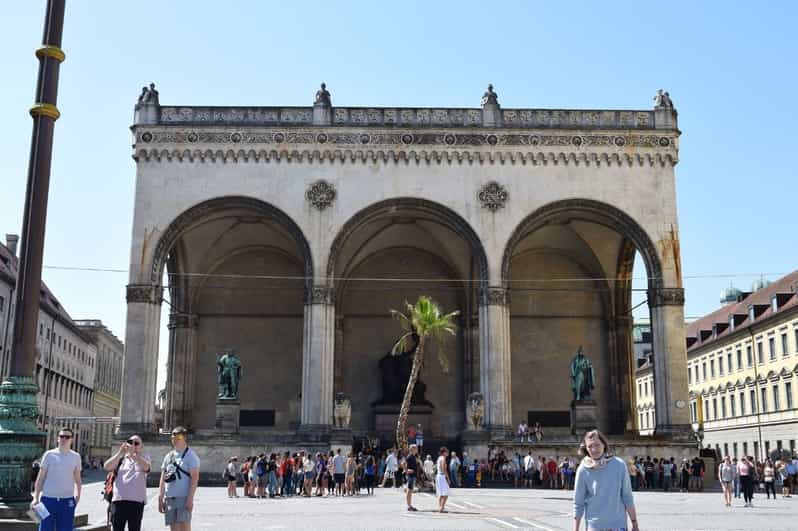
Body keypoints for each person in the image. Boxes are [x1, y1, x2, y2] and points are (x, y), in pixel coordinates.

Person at [573, 430, 639, 531]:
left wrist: (634, 523)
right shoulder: (582, 469)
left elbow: (627, 496)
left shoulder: (619, 465)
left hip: (618, 525)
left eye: (597, 445)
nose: (594, 449)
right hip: (594, 526)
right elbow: (578, 502)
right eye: (590, 446)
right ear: (585, 448)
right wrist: (575, 529)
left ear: (604, 445)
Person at [31, 427, 82, 531]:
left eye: (67, 437)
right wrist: (35, 497)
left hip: (67, 501)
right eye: (61, 436)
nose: (64, 439)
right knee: (45, 528)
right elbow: (40, 478)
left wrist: (77, 496)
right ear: (58, 438)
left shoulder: (76, 456)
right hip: (47, 500)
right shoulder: (49, 454)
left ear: (71, 440)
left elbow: (78, 480)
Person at [105, 434, 151, 531]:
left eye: (136, 443)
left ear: (141, 446)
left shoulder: (144, 457)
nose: (133, 445)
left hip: (136, 502)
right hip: (118, 501)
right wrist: (120, 453)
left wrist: (135, 455)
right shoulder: (121, 459)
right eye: (130, 442)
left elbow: (147, 467)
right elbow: (107, 466)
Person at [158, 426, 200, 531]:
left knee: (184, 527)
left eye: (178, 436)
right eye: (173, 436)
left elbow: (195, 479)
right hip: (170, 498)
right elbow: (163, 478)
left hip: (183, 498)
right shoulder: (168, 456)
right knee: (174, 528)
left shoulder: (191, 456)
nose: (175, 439)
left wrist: (190, 499)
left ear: (185, 438)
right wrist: (160, 497)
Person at [405, 444, 420, 511]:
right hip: (410, 476)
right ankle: (409, 506)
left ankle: (410, 505)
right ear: (412, 449)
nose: (417, 449)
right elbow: (403, 464)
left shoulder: (413, 456)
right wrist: (407, 470)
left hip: (412, 476)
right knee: (409, 490)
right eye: (416, 448)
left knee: (410, 491)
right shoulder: (409, 456)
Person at [436, 447, 451, 513]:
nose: (448, 453)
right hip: (442, 476)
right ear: (444, 452)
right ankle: (442, 508)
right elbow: (443, 469)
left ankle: (440, 507)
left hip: (438, 475)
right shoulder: (443, 458)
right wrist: (447, 478)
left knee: (441, 493)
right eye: (447, 452)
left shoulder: (439, 458)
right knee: (446, 493)